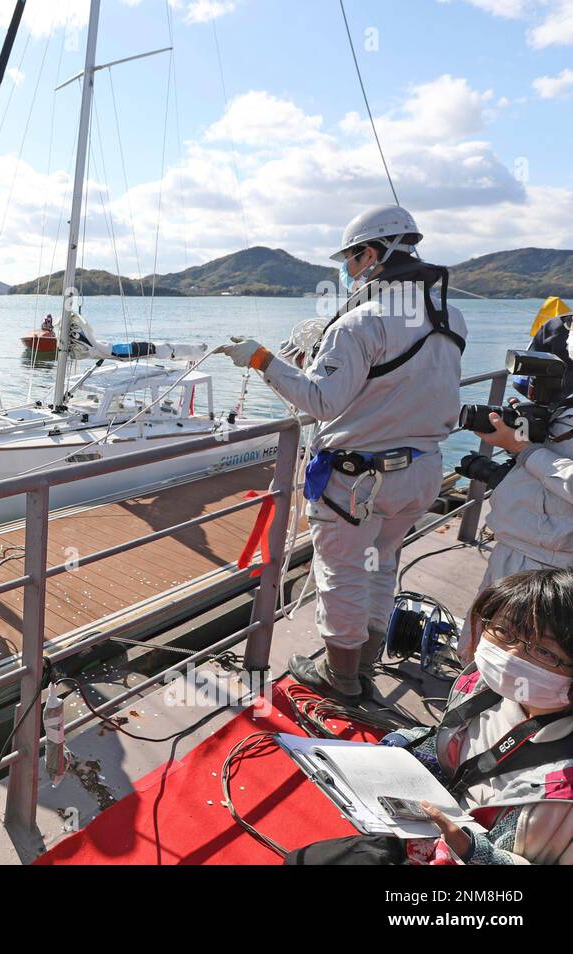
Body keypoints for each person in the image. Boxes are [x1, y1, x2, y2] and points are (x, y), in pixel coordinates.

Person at [219, 205, 467, 703]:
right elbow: (398, 387)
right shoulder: (450, 316)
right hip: (420, 470)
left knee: (343, 573)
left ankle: (341, 676)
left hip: (358, 481)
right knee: (381, 563)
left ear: (371, 255)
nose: (348, 271)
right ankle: (365, 659)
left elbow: (321, 401)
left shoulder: (358, 324)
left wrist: (263, 359)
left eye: (351, 261)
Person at [289, 568, 573, 865]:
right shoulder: (482, 686)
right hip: (425, 832)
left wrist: (472, 852)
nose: (512, 655)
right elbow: (451, 744)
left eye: (543, 651)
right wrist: (401, 747)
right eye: (503, 632)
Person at [459, 394, 573, 658]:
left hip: (553, 570)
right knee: (478, 647)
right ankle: (469, 693)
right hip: (511, 546)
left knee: (521, 660)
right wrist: (533, 417)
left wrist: (524, 449)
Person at [516, 296, 573, 400]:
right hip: (558, 403)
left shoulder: (554, 325)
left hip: (554, 403)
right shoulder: (554, 325)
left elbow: (523, 378)